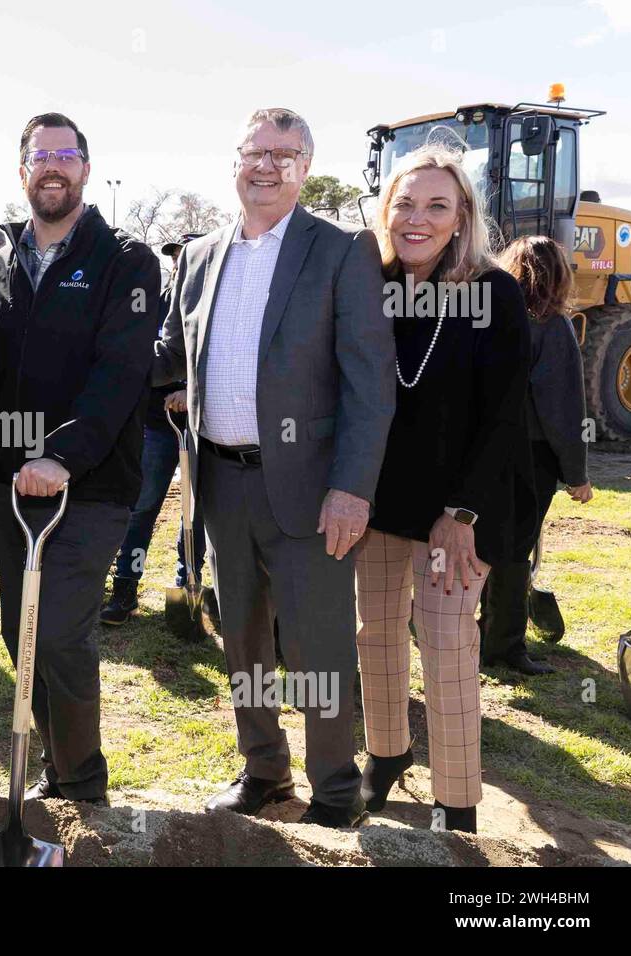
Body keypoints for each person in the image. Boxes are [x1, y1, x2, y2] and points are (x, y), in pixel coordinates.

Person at [153, 107, 395, 828]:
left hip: (313, 490)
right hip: (221, 484)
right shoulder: (199, 256)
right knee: (244, 640)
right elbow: (171, 350)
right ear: (234, 163)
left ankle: (332, 789)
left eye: (284, 156)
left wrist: (352, 489)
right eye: (254, 152)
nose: (266, 166)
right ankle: (263, 771)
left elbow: (370, 383)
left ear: (305, 169)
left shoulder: (342, 250)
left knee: (317, 644)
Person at [355, 141, 534, 834]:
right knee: (375, 635)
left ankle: (456, 803)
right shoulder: (372, 284)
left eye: (437, 205)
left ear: (462, 216)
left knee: (447, 639)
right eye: (405, 203)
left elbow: (504, 414)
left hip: (460, 508)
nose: (418, 218)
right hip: (381, 501)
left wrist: (460, 512)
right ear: (386, 210)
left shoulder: (493, 292)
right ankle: (386, 754)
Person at [0, 112, 161, 803]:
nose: (51, 166)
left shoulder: (125, 260)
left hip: (87, 485)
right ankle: (55, 770)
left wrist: (62, 455)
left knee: (56, 632)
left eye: (64, 154)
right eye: (38, 155)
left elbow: (120, 371)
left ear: (86, 167)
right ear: (21, 170)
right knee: (14, 629)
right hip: (9, 483)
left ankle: (84, 783)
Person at [480, 235, 593, 675]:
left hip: (482, 449)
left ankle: (465, 628)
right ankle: (503, 645)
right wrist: (576, 473)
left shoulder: (487, 315)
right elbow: (563, 407)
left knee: (479, 540)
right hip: (530, 454)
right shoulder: (551, 324)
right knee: (514, 548)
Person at [101, 239, 205, 625]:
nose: (180, 266)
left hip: (202, 426)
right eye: (176, 260)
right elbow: (136, 353)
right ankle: (125, 587)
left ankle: (189, 586)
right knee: (141, 507)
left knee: (195, 514)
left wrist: (189, 391)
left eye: (187, 259)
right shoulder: (152, 299)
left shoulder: (211, 302)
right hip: (155, 425)